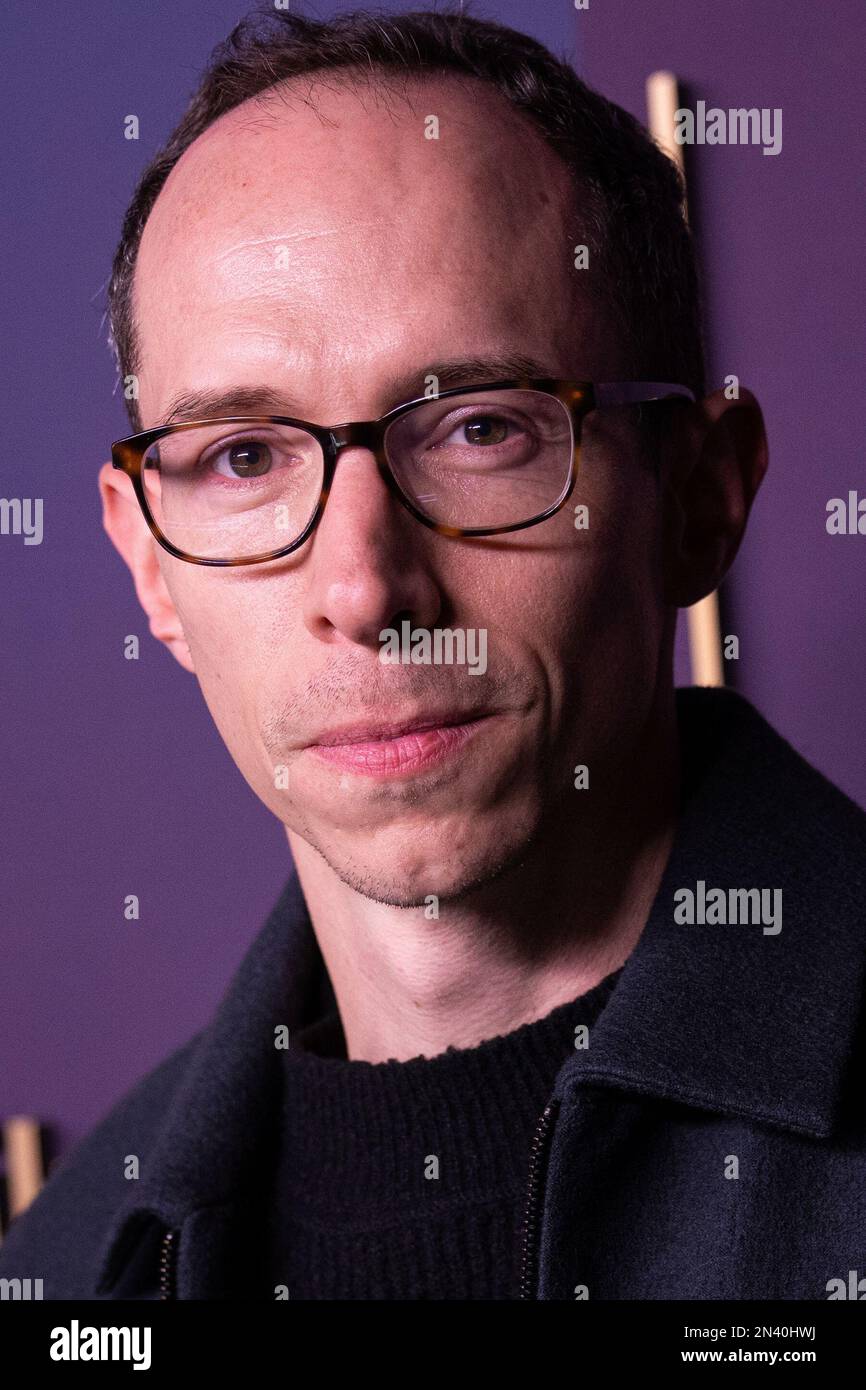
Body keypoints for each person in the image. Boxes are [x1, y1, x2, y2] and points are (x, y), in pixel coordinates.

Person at [2, 6, 864, 1302]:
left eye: (475, 429)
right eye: (244, 457)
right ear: (149, 565)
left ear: (698, 496)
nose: (363, 586)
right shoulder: (74, 1268)